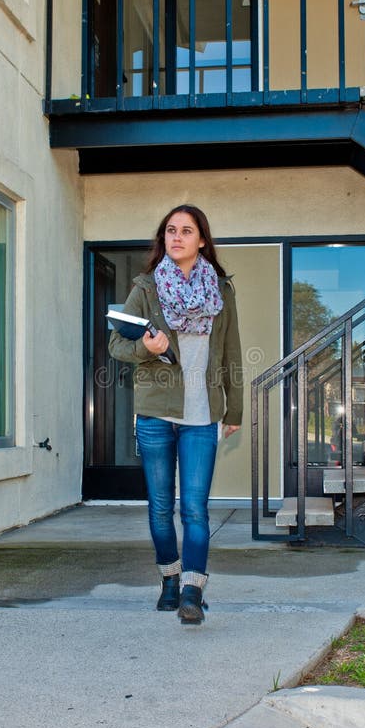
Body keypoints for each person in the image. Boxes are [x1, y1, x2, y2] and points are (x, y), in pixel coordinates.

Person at [108, 205, 243, 625]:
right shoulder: (146, 287)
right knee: (161, 506)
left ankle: (191, 592)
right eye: (171, 230)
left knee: (196, 510)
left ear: (202, 239)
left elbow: (232, 351)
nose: (177, 237)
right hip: (155, 413)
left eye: (187, 230)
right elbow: (116, 344)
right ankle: (169, 577)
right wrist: (143, 349)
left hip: (203, 416)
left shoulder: (221, 290)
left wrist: (233, 407)